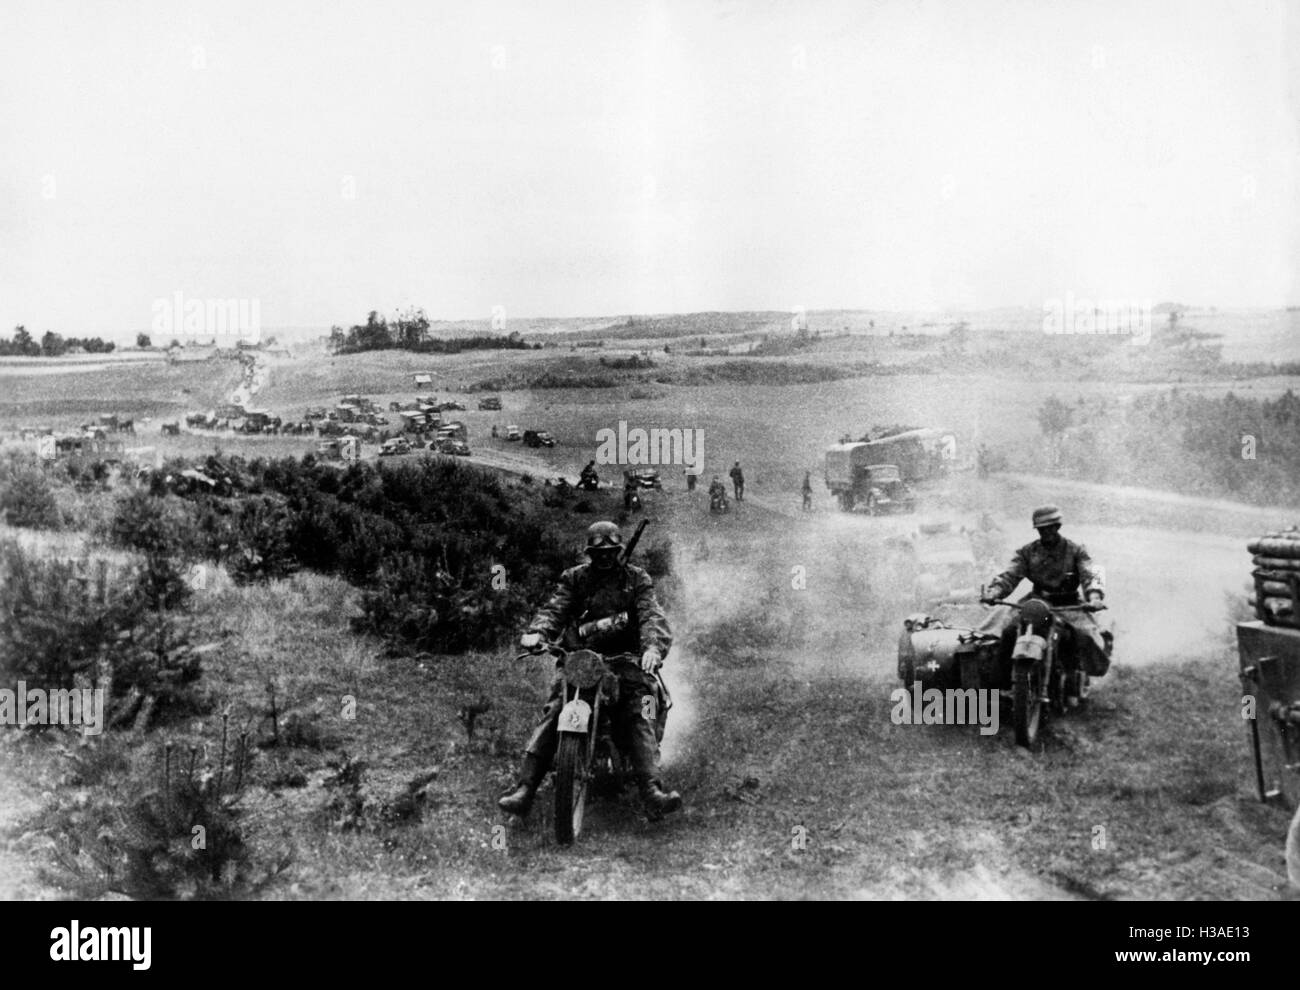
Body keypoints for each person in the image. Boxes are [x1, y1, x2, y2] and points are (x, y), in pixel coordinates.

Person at [498, 521, 682, 817]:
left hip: (627, 663)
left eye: (610, 551)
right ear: (590, 553)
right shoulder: (575, 578)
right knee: (556, 708)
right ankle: (525, 789)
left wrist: (651, 648)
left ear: (619, 550)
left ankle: (651, 789)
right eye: (598, 552)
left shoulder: (636, 579)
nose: (605, 557)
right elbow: (555, 609)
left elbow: (651, 615)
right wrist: (539, 633)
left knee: (641, 711)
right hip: (581, 660)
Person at [976, 505, 1113, 678]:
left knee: (1086, 636)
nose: (1046, 532)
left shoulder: (1075, 550)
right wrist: (994, 592)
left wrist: (1094, 597)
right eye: (1042, 529)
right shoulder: (1027, 552)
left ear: (1058, 527)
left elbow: (1089, 574)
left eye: (1050, 528)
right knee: (1008, 631)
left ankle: (1077, 677)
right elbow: (1010, 575)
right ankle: (1001, 682)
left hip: (1068, 605)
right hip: (1037, 602)